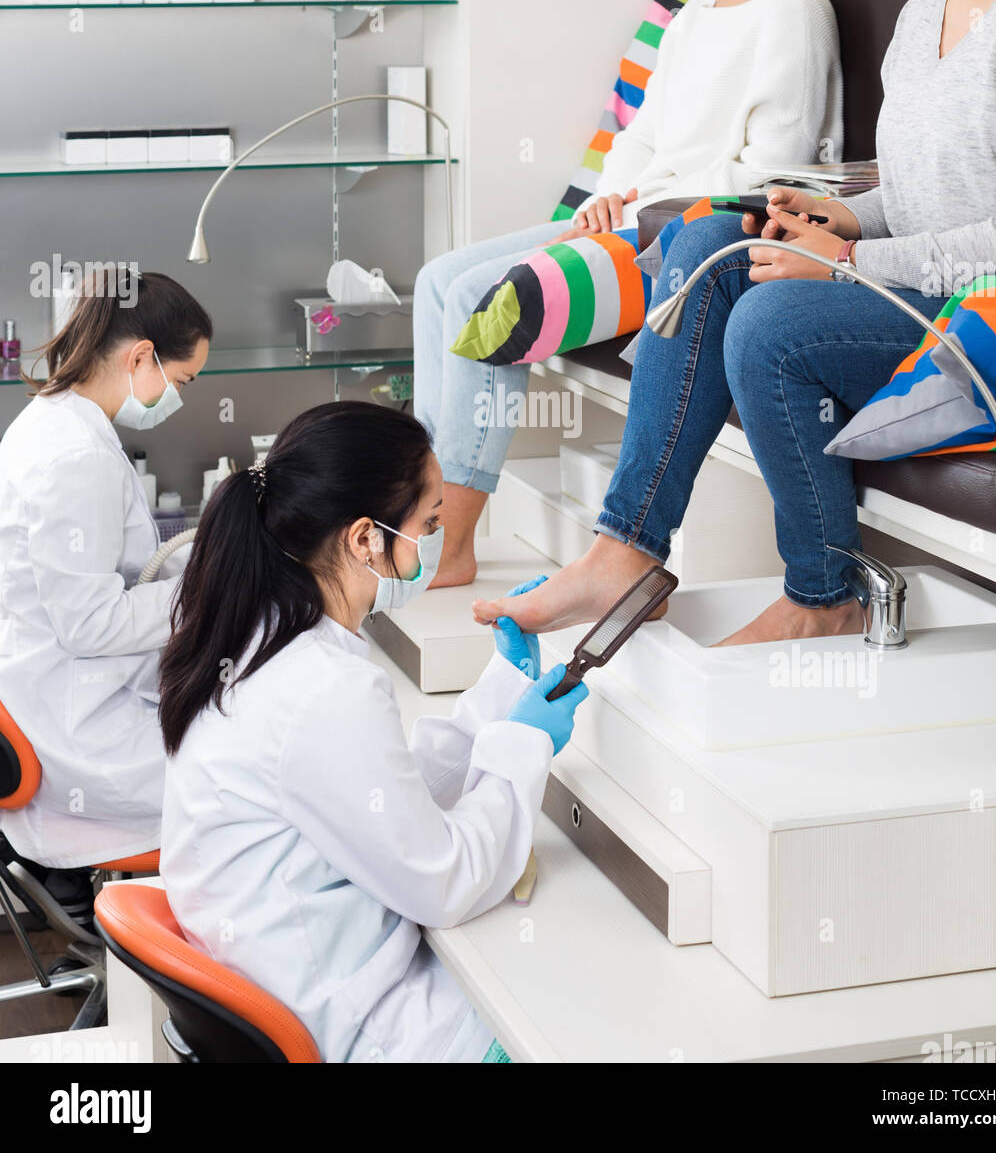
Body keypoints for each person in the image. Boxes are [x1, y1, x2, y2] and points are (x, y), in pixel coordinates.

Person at [472, 0, 996, 647]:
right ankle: (628, 548)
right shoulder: (923, 17)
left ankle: (822, 591)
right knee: (710, 237)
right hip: (910, 283)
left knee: (765, 326)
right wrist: (840, 220)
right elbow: (915, 199)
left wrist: (848, 263)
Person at [414, 0, 843, 588]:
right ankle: (420, 507)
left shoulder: (795, 12)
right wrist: (607, 197)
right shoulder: (697, 11)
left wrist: (641, 210)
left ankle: (451, 544)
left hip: (690, 241)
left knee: (484, 297)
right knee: (439, 278)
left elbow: (770, 174)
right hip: (632, 216)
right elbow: (641, 134)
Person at [159, 401, 586, 1063]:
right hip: (352, 1023)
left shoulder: (261, 637)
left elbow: (381, 792)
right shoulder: (320, 687)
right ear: (364, 538)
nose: (433, 543)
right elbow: (440, 883)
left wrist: (501, 691)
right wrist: (521, 746)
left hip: (285, 971)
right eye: (429, 523)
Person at [0, 269, 211, 899]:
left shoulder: (57, 420)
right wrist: (204, 593)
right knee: (250, 773)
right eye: (181, 381)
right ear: (141, 356)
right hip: (75, 735)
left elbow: (116, 575)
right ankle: (198, 966)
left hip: (50, 694)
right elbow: (90, 623)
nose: (180, 397)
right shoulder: (78, 456)